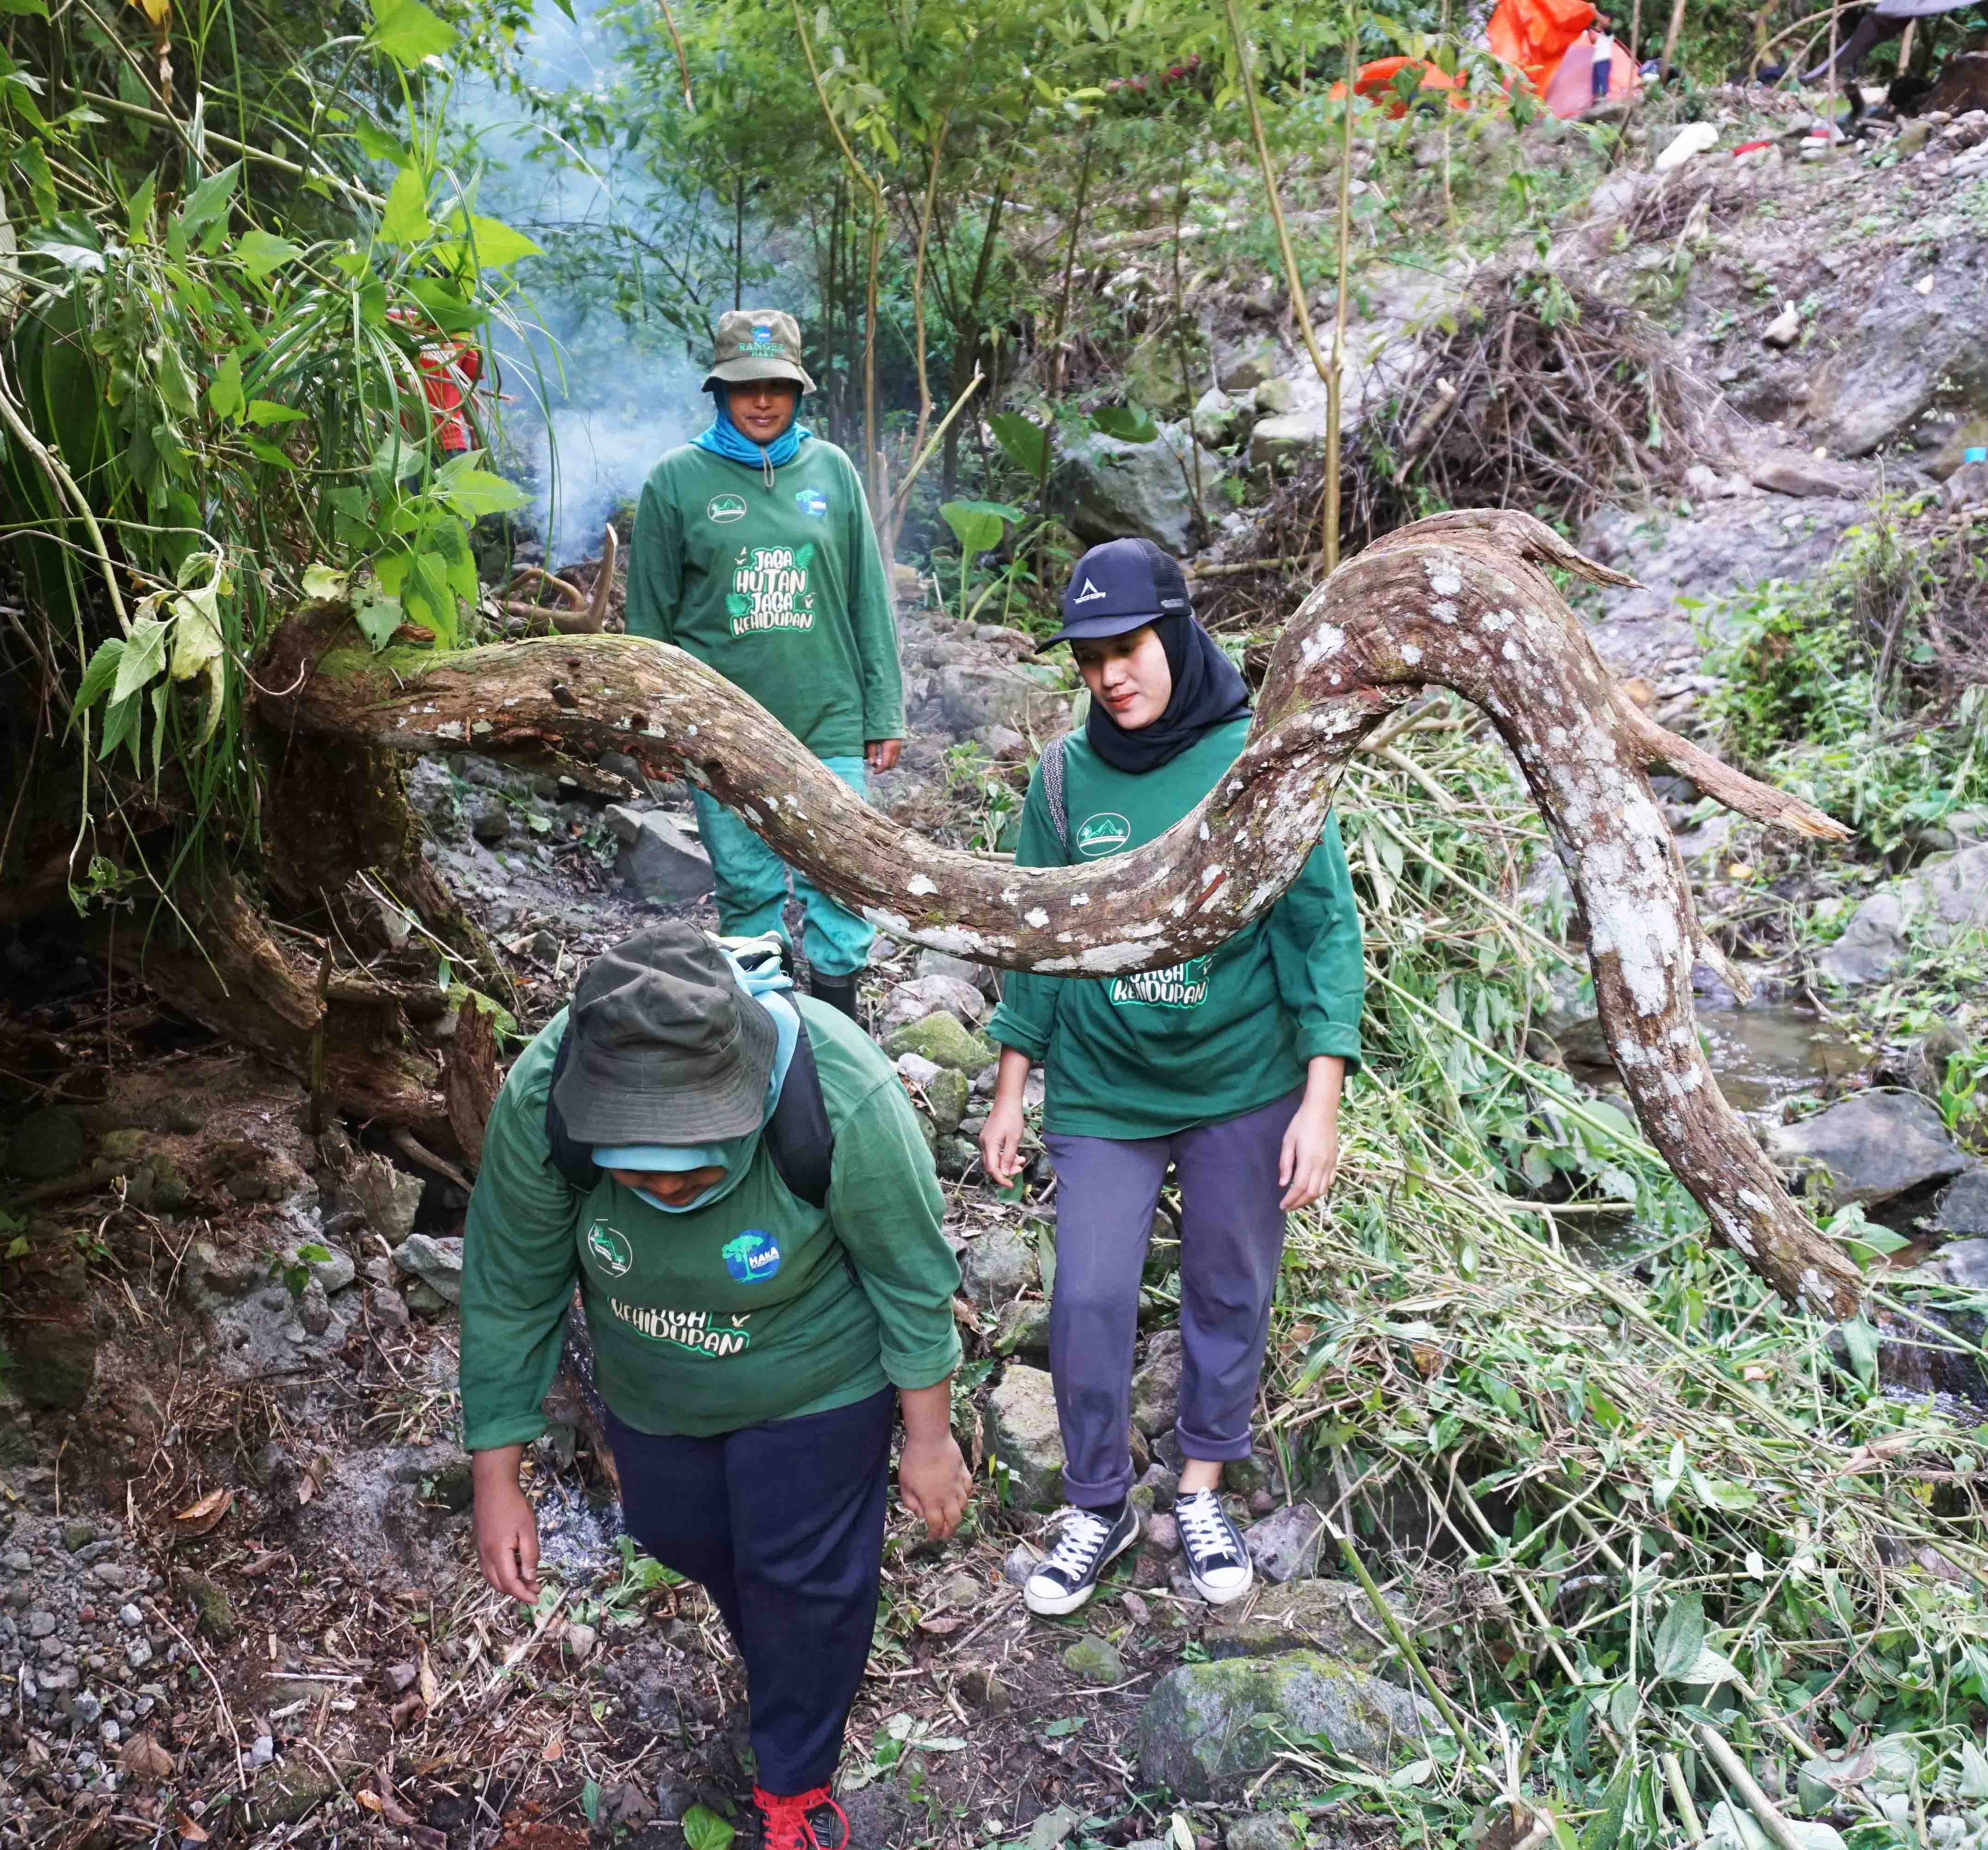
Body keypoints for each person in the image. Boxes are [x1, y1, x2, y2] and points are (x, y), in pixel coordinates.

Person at [461, 924, 970, 1849]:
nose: (666, 1184)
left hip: (816, 1376)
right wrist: (498, 1475)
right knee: (682, 1531)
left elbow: (911, 1271)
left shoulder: (839, 1087)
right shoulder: (544, 1098)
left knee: (802, 1576)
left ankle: (794, 1789)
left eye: (695, 1159)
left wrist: (928, 1438)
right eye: (640, 1167)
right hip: (657, 1387)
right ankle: (789, 1653)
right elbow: (510, 1283)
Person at [975, 538, 1364, 1618]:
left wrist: (1321, 1097)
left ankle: (1199, 1487)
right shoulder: (1064, 780)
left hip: (1243, 1076)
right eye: (1091, 657)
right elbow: (1035, 935)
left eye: (1129, 647)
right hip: (1105, 1083)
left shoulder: (1257, 761)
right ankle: (1095, 1503)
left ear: (1179, 636)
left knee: (1227, 1283)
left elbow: (1321, 926)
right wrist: (1012, 1085)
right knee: (1091, 1293)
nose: (1111, 675)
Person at [624, 309, 905, 1021]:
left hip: (828, 720)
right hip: (719, 730)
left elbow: (867, 597)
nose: (760, 401)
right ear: (718, 391)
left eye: (777, 386)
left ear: (799, 390)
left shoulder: (832, 472)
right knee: (749, 889)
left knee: (841, 883)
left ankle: (842, 1044)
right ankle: (774, 1046)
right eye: (744, 386)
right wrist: (647, 726)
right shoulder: (678, 481)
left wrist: (884, 709)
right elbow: (649, 622)